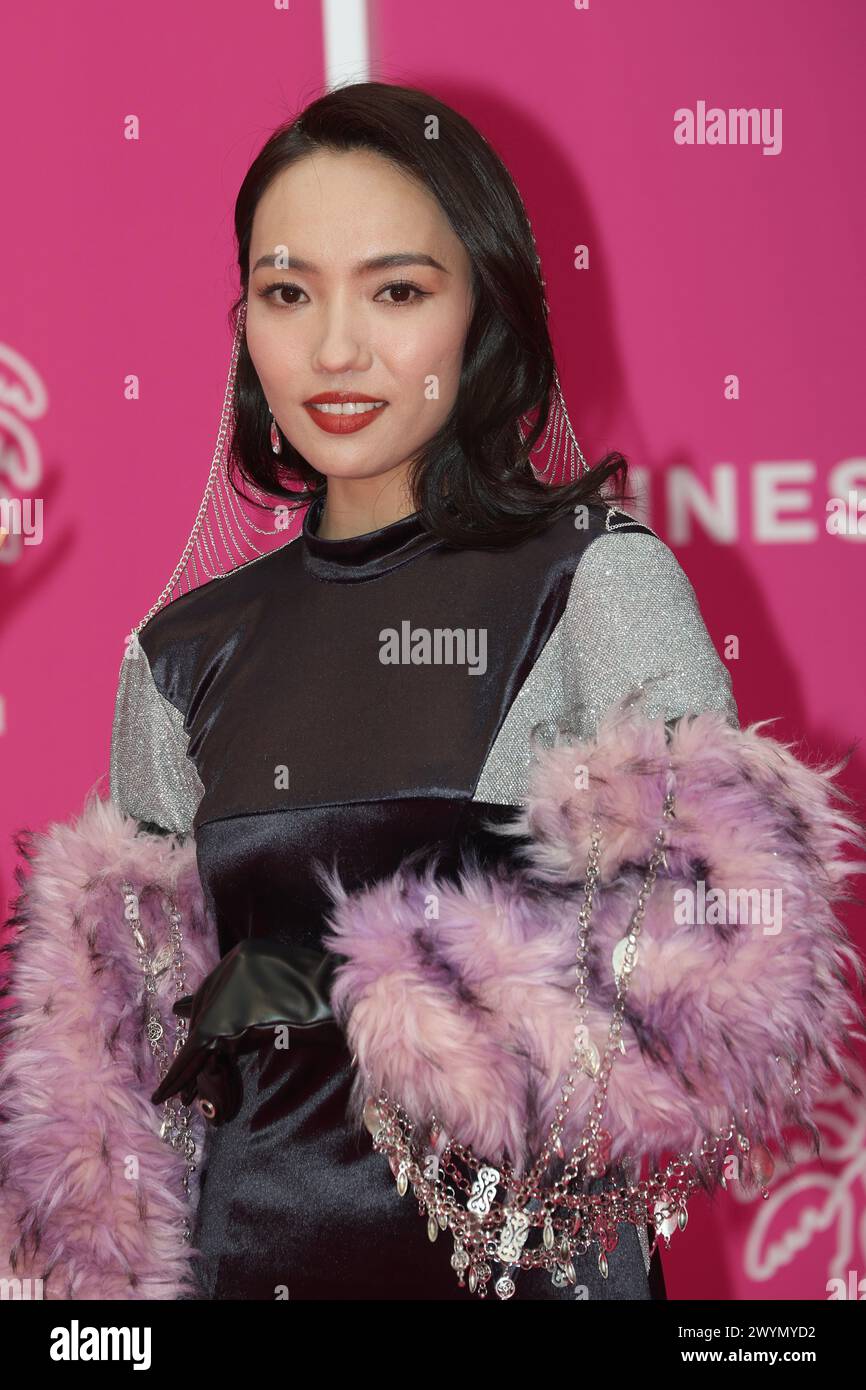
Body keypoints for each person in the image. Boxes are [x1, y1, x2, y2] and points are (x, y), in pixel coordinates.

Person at [3, 82, 859, 1305]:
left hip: (517, 1272)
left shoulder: (590, 586)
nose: (335, 349)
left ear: (482, 310)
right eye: (287, 293)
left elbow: (735, 974)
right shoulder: (181, 652)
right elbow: (114, 1066)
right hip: (243, 1258)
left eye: (396, 290)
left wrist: (374, 984)